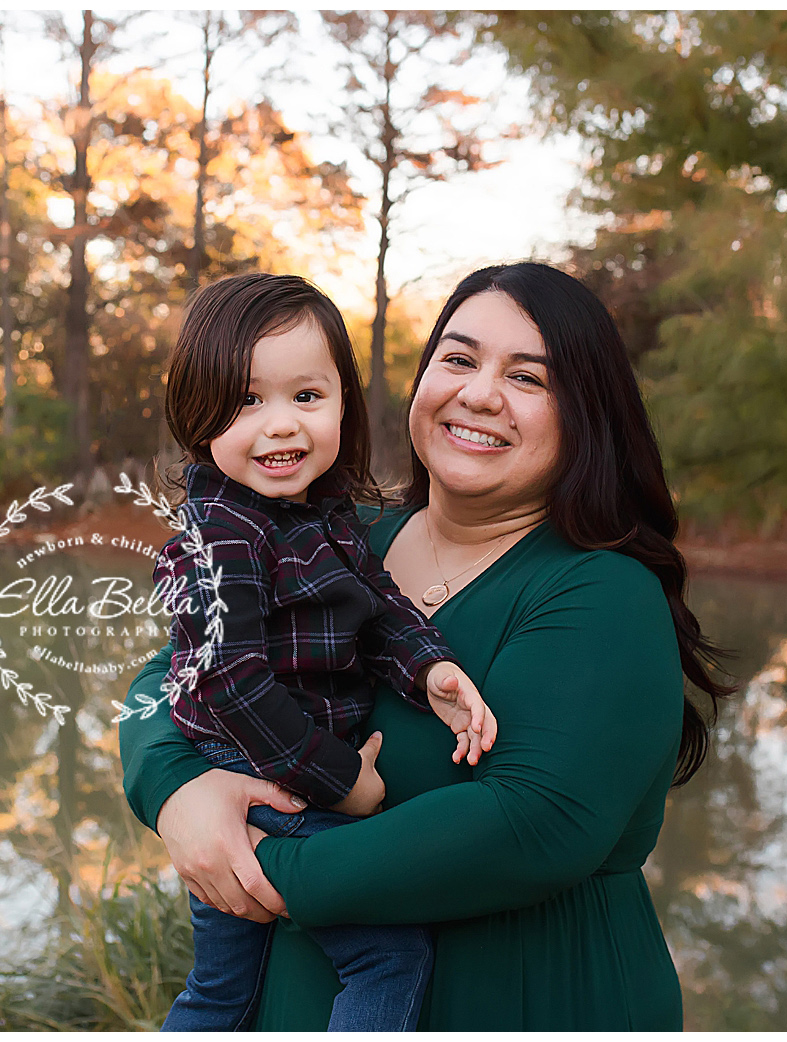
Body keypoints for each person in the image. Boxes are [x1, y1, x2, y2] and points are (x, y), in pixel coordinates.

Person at [120, 262, 734, 1030]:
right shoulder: (336, 533)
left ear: (588, 416)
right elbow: (169, 675)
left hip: (520, 997)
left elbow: (531, 824)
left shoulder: (602, 593)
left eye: (527, 378)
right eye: (458, 358)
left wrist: (256, 865)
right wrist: (178, 795)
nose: (479, 394)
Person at [146, 272, 498, 1031]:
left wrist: (429, 668)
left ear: (344, 403)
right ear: (199, 412)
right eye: (247, 401)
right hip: (264, 778)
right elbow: (227, 683)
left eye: (306, 396)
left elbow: (378, 610)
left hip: (281, 772)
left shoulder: (326, 518)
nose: (282, 426)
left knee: (223, 990)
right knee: (387, 956)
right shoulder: (222, 535)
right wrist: (344, 785)